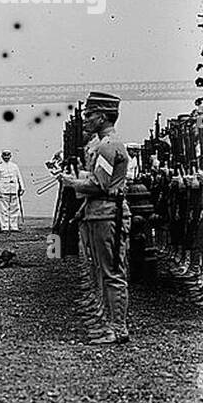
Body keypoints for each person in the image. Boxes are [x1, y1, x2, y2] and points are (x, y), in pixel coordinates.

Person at [59, 91, 131, 345]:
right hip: (98, 214)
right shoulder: (103, 145)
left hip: (107, 214)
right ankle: (109, 323)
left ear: (102, 117)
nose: (85, 119)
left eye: (89, 115)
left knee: (111, 272)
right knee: (102, 271)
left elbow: (99, 183)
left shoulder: (108, 146)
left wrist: (72, 182)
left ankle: (117, 329)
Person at [0, 149, 25, 232]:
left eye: (8, 156)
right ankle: (5, 227)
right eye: (5, 156)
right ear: (2, 157)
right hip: (4, 189)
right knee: (4, 209)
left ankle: (14, 226)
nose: (6, 158)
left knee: (15, 209)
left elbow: (19, 177)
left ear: (10, 156)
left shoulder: (14, 166)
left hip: (14, 189)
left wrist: (22, 187)